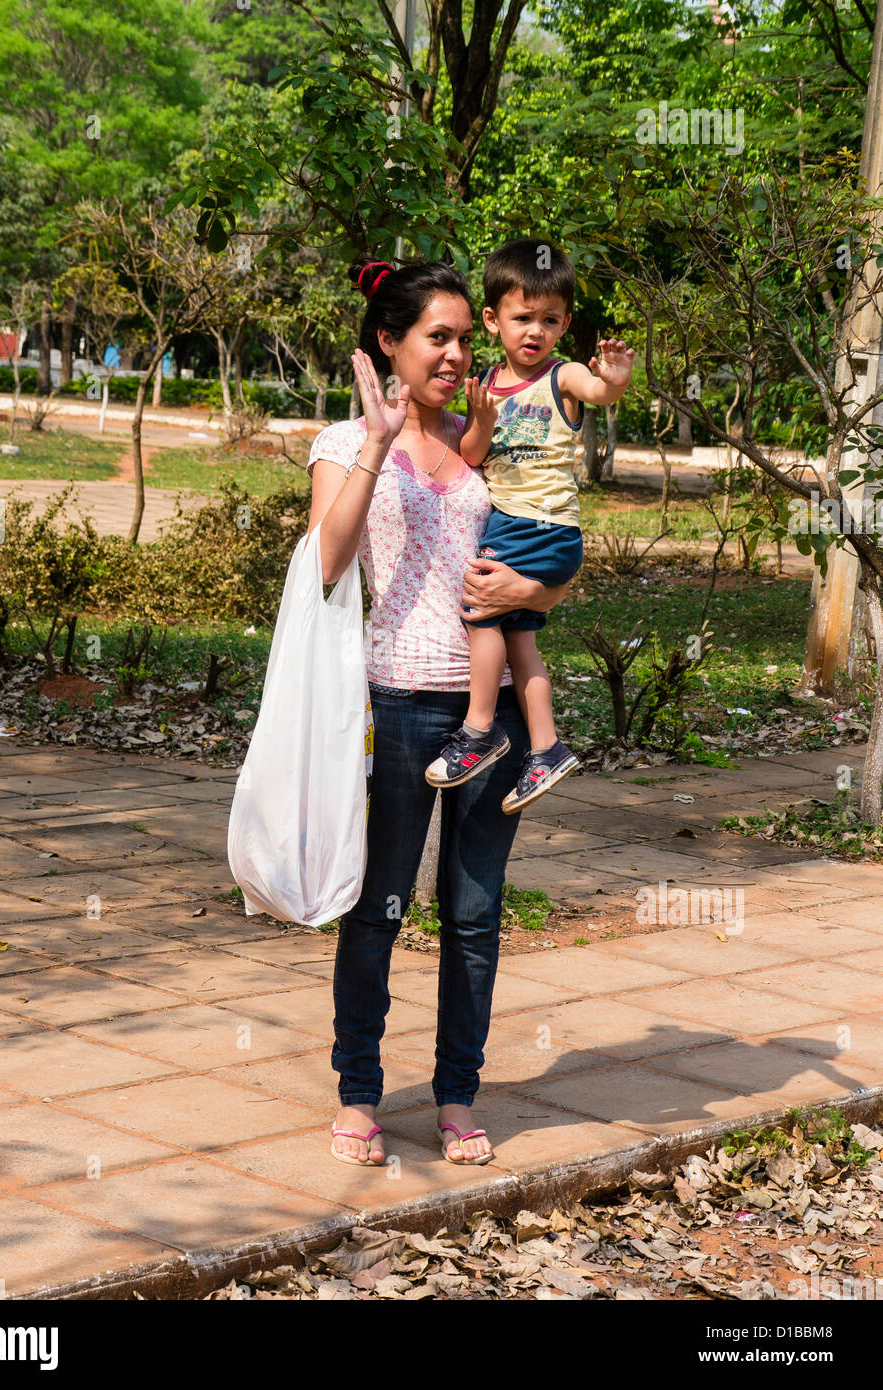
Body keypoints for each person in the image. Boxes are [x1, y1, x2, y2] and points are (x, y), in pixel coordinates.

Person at [305, 256, 567, 1168]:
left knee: (473, 914)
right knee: (376, 910)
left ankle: (458, 1092)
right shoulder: (343, 444)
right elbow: (327, 565)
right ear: (390, 342)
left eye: (465, 337)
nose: (458, 354)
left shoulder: (492, 439)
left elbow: (558, 552)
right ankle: (359, 1093)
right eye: (438, 338)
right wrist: (379, 441)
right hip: (399, 705)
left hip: (486, 715)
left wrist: (534, 584)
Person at [424, 238, 635, 812]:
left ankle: (479, 729)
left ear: (565, 325)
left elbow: (600, 390)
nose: (534, 331)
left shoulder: (561, 377)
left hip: (533, 528)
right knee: (521, 642)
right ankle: (546, 747)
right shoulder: (485, 384)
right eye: (522, 318)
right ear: (492, 320)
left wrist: (613, 377)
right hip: (533, 532)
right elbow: (470, 454)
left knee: (480, 615)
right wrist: (484, 420)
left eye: (550, 320)